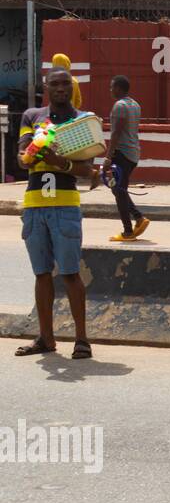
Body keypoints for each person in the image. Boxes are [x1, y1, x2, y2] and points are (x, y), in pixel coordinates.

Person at [13, 68, 95, 360]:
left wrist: (61, 162)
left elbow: (89, 169)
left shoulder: (82, 121)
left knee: (71, 273)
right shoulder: (32, 117)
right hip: (35, 205)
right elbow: (22, 158)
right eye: (54, 84)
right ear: (46, 87)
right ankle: (46, 338)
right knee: (41, 273)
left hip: (65, 205)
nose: (60, 89)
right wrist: (33, 153)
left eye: (65, 84)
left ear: (72, 88)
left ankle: (82, 340)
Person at [101, 75, 149, 242]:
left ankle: (128, 232)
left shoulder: (120, 106)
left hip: (121, 153)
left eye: (112, 87)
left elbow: (116, 133)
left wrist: (108, 157)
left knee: (119, 192)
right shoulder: (134, 104)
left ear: (119, 89)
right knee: (117, 188)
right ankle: (139, 218)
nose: (110, 90)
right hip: (133, 153)